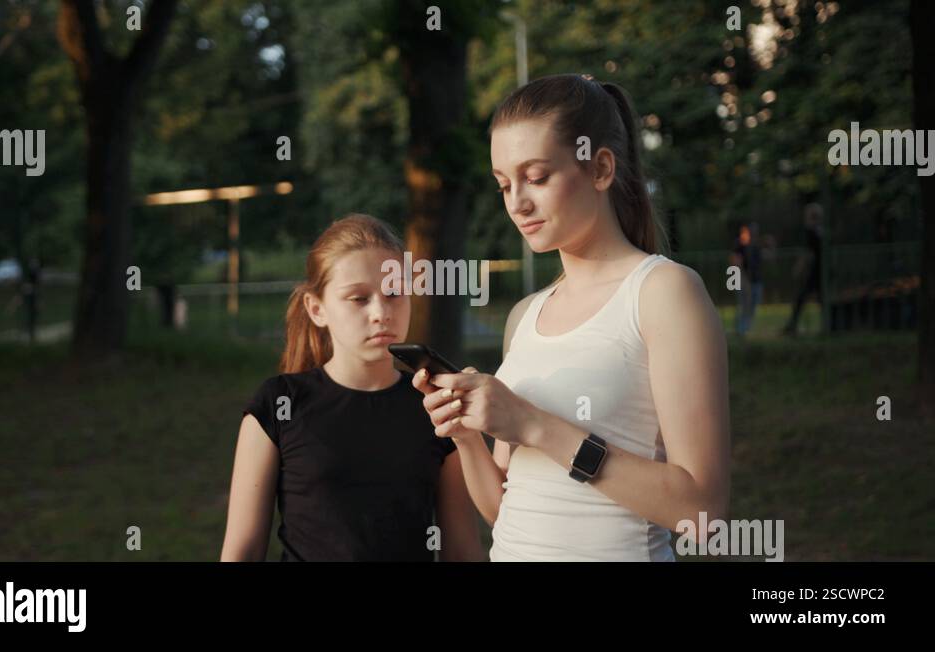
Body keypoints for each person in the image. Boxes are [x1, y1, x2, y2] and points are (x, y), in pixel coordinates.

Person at [412, 73, 731, 561]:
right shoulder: (525, 316)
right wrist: (468, 436)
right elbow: (505, 509)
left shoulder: (664, 293)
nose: (517, 203)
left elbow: (703, 514)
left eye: (536, 178)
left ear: (600, 168)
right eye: (503, 185)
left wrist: (535, 425)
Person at [220, 214, 482, 561]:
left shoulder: (437, 407)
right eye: (358, 298)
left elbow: (463, 551)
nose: (381, 312)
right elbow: (242, 551)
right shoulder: (278, 404)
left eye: (394, 293)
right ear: (316, 309)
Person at [783, 204, 824, 336]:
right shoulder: (820, 231)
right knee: (820, 299)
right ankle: (829, 325)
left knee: (802, 299)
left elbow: (808, 253)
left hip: (816, 272)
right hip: (820, 272)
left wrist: (798, 268)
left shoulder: (812, 232)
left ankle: (792, 326)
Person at [731, 222, 763, 336]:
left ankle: (745, 329)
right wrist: (743, 281)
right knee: (744, 304)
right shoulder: (740, 244)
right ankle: (740, 330)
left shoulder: (757, 245)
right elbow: (735, 263)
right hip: (742, 280)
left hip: (755, 280)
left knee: (752, 305)